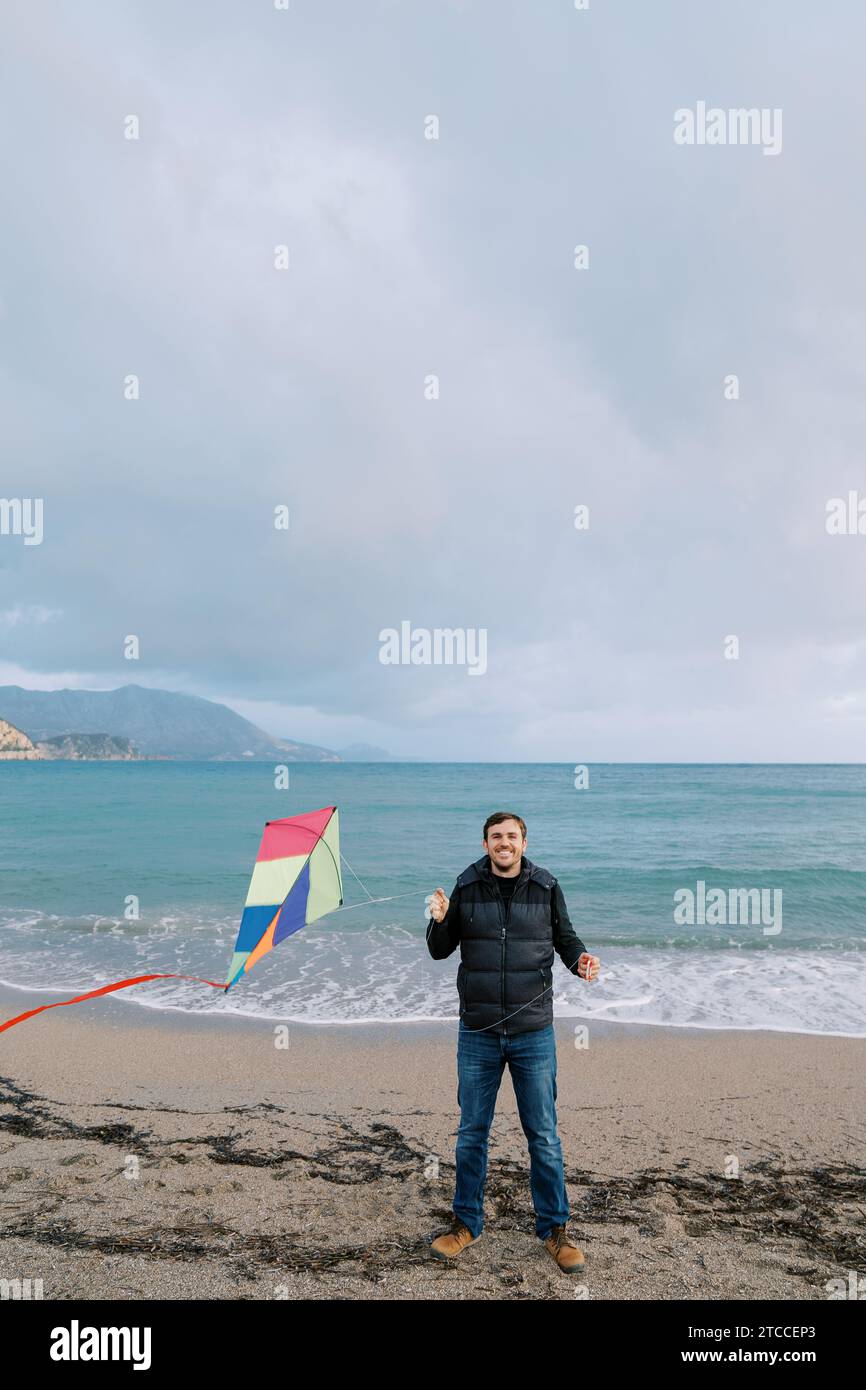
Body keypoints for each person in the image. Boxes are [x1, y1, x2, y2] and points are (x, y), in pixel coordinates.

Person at [425, 811, 600, 1273]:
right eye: (496, 837)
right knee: (471, 1135)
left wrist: (580, 959)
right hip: (478, 1031)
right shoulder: (466, 886)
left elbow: (564, 938)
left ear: (524, 841)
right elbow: (440, 949)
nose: (504, 843)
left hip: (533, 1032)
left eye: (511, 836)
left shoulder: (545, 886)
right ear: (485, 844)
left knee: (543, 1136)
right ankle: (465, 1224)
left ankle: (554, 1231)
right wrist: (439, 920)